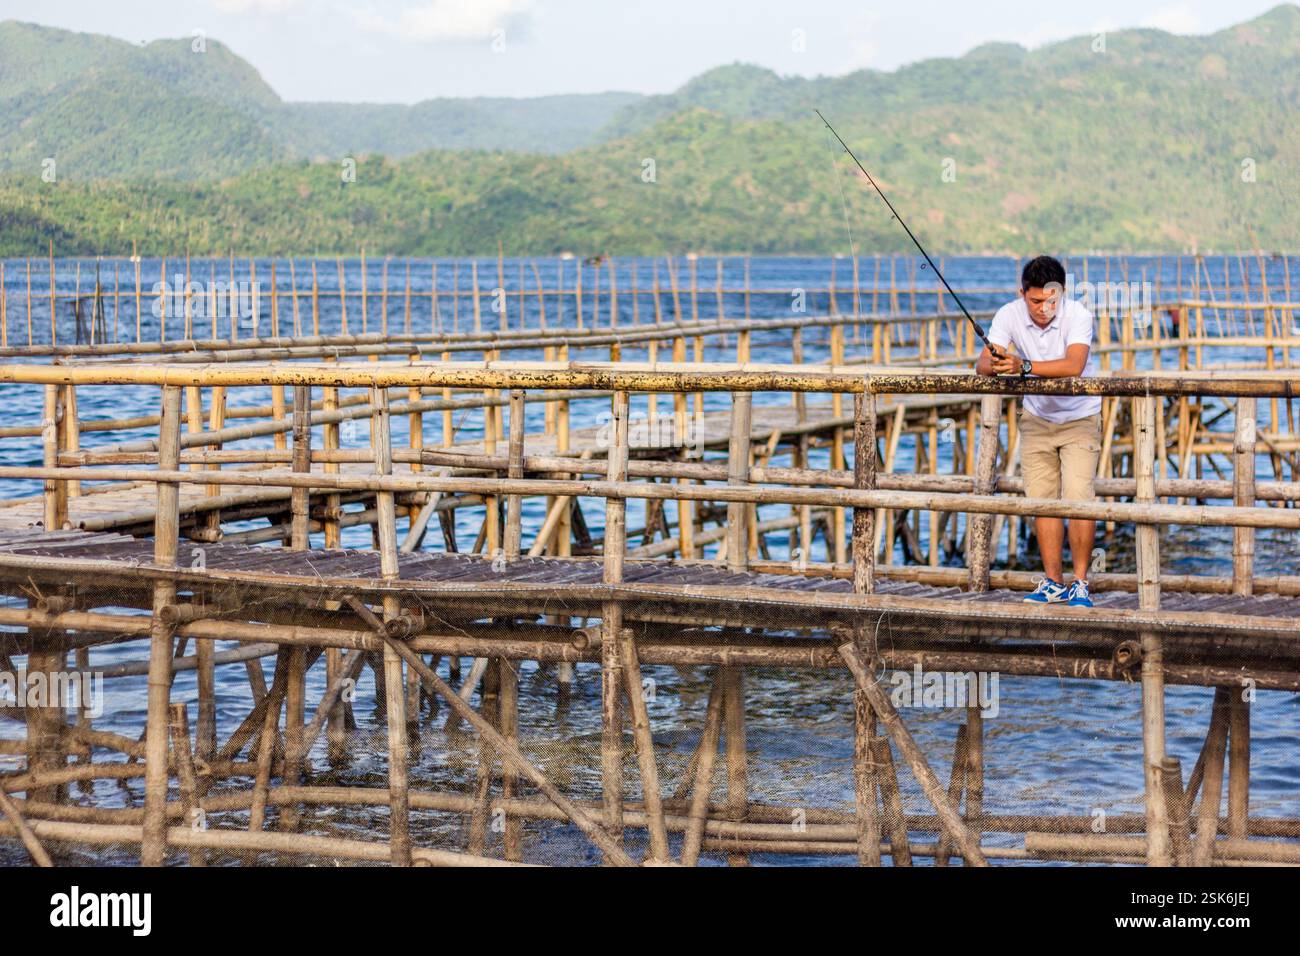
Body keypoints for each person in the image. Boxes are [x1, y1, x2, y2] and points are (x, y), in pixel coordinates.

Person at [975, 255, 1101, 607]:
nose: (1044, 309)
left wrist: (1024, 366)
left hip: (1080, 417)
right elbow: (982, 365)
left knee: (1078, 497)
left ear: (1061, 293)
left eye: (1051, 301)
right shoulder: (1008, 314)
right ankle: (1052, 582)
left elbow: (1074, 365)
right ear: (1022, 294)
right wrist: (996, 360)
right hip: (1036, 419)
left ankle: (1080, 582)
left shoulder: (1078, 315)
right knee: (1042, 500)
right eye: (1035, 301)